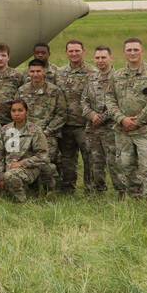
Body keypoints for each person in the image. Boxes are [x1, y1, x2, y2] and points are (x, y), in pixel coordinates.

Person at [103, 37, 147, 200]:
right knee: (126, 165)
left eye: (135, 49)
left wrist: (137, 121)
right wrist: (122, 119)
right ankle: (135, 197)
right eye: (129, 50)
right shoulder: (116, 76)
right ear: (124, 53)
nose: (132, 53)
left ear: (142, 51)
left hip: (146, 130)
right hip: (122, 130)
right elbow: (109, 99)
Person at [17, 59, 66, 193]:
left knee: (45, 162)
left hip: (47, 135)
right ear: (28, 72)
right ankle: (30, 189)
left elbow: (61, 115)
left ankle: (50, 190)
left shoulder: (54, 91)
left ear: (44, 72)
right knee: (24, 161)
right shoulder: (22, 90)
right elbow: (17, 112)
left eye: (38, 71)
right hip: (26, 135)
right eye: (32, 71)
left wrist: (47, 131)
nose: (35, 74)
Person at [56, 40, 92, 194]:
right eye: (71, 51)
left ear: (83, 51)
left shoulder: (93, 73)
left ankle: (91, 190)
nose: (74, 54)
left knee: (89, 158)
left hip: (85, 125)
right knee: (67, 159)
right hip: (65, 125)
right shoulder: (60, 73)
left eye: (77, 51)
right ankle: (68, 190)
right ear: (67, 53)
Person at [82, 45, 119, 194]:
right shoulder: (91, 78)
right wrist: (92, 115)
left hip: (112, 129)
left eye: (103, 57)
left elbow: (119, 103)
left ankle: (121, 192)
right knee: (95, 162)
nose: (100, 61)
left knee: (115, 163)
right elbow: (83, 101)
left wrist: (102, 117)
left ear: (111, 58)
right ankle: (99, 192)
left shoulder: (118, 78)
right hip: (93, 129)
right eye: (97, 58)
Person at [0, 99, 49, 202]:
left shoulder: (35, 130)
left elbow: (43, 155)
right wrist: (0, 175)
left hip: (29, 168)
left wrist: (22, 163)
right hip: (8, 169)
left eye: (20, 110)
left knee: (10, 175)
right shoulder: (5, 130)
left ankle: (22, 202)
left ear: (26, 112)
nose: (16, 113)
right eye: (13, 111)